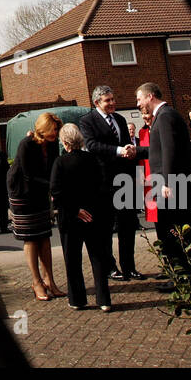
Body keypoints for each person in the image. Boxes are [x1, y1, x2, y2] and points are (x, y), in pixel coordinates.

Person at [136, 83, 191, 287]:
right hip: (173, 183)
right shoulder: (165, 115)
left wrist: (168, 182)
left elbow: (170, 150)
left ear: (150, 96)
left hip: (172, 185)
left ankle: (190, 277)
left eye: (139, 99)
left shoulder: (165, 116)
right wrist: (137, 151)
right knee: (180, 230)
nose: (138, 104)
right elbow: (159, 149)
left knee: (180, 231)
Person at [78, 85, 143, 281]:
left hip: (125, 180)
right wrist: (119, 151)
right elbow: (92, 145)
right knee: (105, 227)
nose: (113, 103)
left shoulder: (120, 119)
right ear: (97, 103)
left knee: (127, 226)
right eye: (108, 100)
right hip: (104, 182)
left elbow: (125, 143)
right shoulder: (87, 121)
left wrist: (130, 152)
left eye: (113, 99)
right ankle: (110, 267)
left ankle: (129, 267)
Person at [50, 123, 113, 311]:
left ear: (64, 142)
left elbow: (56, 191)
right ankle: (104, 300)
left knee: (72, 259)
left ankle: (77, 299)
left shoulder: (60, 162)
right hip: (93, 215)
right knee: (98, 258)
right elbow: (102, 186)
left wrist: (75, 210)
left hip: (70, 218)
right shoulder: (93, 159)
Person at [7, 113, 63, 301]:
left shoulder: (53, 144)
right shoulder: (26, 144)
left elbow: (54, 168)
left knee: (45, 236)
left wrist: (56, 184)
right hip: (22, 193)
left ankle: (50, 281)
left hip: (41, 192)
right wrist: (53, 185)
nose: (55, 133)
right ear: (43, 129)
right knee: (30, 238)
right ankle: (36, 282)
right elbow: (28, 175)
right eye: (52, 129)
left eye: (56, 129)